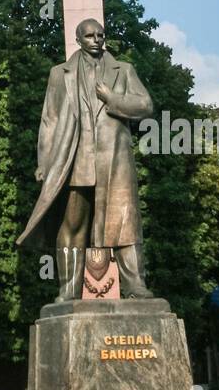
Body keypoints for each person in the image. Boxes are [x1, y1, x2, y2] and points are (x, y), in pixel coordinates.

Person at [17, 17, 155, 300]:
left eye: (100, 35)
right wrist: (44, 162)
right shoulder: (59, 74)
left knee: (125, 222)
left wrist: (113, 98)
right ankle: (68, 290)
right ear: (78, 39)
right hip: (76, 157)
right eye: (89, 36)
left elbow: (145, 105)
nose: (96, 40)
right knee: (73, 225)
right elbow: (50, 120)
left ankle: (134, 286)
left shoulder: (123, 70)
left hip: (114, 159)